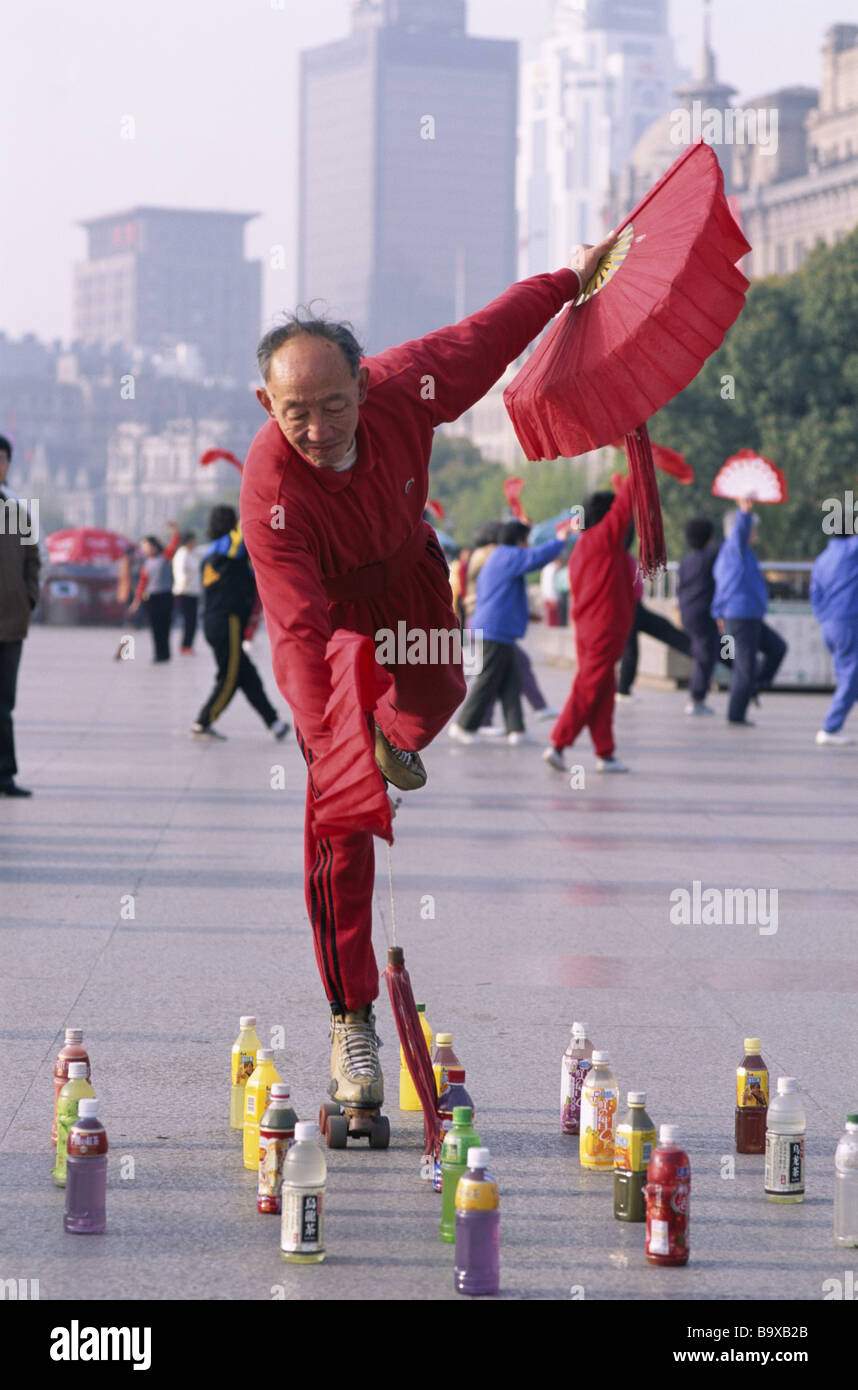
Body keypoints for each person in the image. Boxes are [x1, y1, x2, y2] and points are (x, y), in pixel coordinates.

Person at [240, 236, 616, 1114]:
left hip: (409, 578)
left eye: (336, 404)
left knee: (442, 684)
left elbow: (487, 336)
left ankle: (390, 740)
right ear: (268, 403)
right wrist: (330, 742)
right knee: (340, 820)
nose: (321, 430)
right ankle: (351, 1020)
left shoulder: (410, 383)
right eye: (298, 413)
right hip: (327, 626)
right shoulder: (270, 488)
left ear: (366, 383)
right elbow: (294, 629)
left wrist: (568, 279)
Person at [543, 475, 636, 774]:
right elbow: (624, 507)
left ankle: (605, 752)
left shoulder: (583, 544)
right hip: (604, 627)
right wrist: (639, 460)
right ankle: (558, 743)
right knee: (589, 687)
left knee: (602, 688)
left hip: (589, 626)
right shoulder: (604, 539)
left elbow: (622, 507)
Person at [448, 520, 568, 744]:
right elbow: (537, 558)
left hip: (495, 627)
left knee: (510, 680)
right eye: (526, 541)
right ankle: (463, 725)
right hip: (495, 628)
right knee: (488, 678)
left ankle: (517, 730)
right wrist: (560, 539)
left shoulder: (499, 556)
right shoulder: (508, 555)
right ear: (518, 541)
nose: (528, 547)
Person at [190, 505, 290, 743]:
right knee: (231, 676)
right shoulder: (230, 547)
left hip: (215, 621)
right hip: (228, 620)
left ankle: (274, 723)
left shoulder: (210, 553)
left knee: (246, 674)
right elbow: (246, 528)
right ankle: (203, 722)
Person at [712, 500, 787, 726]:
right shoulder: (735, 550)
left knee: (777, 648)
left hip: (747, 615)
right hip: (741, 616)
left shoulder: (739, 554)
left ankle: (754, 686)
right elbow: (739, 532)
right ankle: (736, 714)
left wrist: (718, 614)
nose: (755, 533)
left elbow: (722, 585)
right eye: (752, 528)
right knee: (744, 666)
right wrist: (745, 512)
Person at [0, 434, 41, 797]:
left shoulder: (13, 513)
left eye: (2, 459)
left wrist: (28, 599)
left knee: (3, 703)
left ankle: (4, 774)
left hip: (9, 624)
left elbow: (31, 561)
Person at [616, 525, 691, 702]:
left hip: (635, 607)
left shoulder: (624, 557)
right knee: (631, 649)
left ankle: (623, 689)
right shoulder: (615, 558)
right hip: (626, 607)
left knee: (663, 632)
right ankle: (622, 690)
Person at [810, 530, 858, 745]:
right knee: (850, 678)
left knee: (848, 677)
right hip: (848, 622)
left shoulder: (822, 558)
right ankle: (830, 727)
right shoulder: (851, 551)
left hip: (829, 625)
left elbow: (815, 595)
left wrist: (826, 618)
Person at [677, 517, 724, 715]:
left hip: (688, 612)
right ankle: (696, 699)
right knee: (705, 655)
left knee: (707, 651)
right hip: (702, 613)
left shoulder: (686, 561)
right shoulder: (710, 556)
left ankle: (746, 676)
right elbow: (729, 544)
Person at [129, 525, 180, 662]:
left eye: (146, 546)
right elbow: (142, 585)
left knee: (165, 626)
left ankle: (166, 654)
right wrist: (136, 602)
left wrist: (174, 530)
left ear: (154, 546)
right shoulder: (146, 564)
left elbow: (174, 543)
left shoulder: (165, 557)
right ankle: (158, 653)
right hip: (152, 598)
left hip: (165, 597)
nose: (144, 550)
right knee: (156, 627)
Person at [172, 530, 202, 653]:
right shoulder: (182, 554)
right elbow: (180, 571)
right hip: (184, 591)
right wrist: (183, 582)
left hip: (194, 591)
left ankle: (188, 644)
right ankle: (185, 645)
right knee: (189, 620)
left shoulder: (192, 553)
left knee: (193, 620)